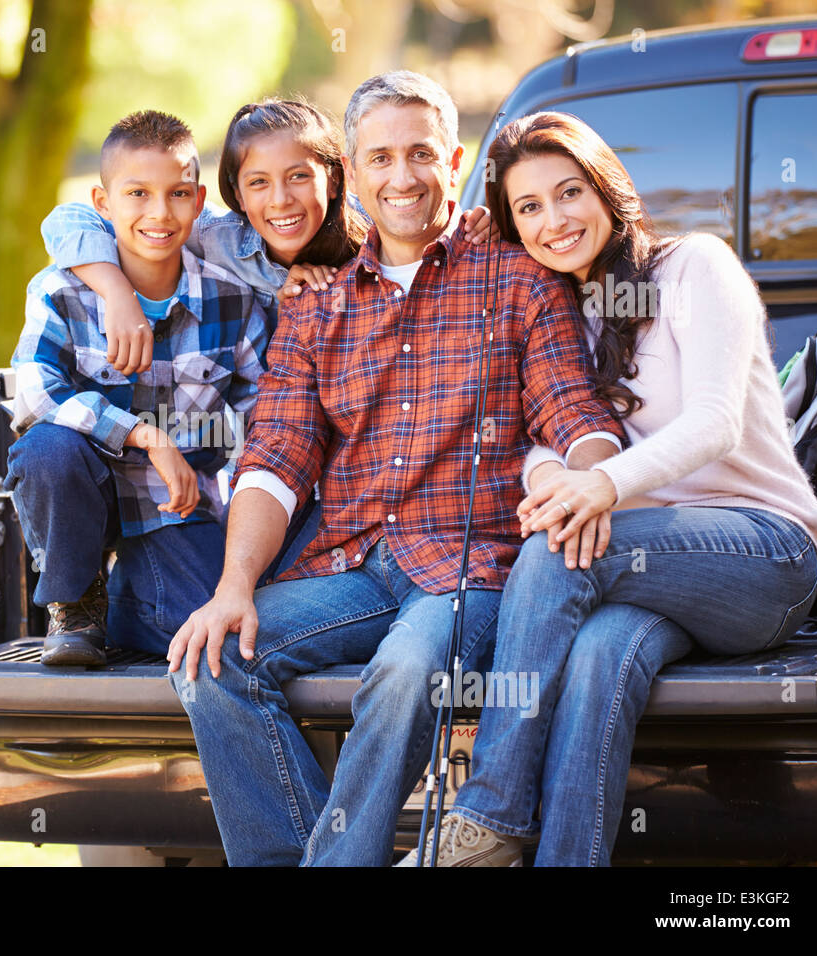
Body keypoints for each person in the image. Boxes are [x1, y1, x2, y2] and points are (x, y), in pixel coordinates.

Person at [163, 73, 626, 866]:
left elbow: (574, 412)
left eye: (420, 153)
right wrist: (234, 589)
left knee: (406, 672)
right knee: (209, 664)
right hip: (353, 565)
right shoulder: (317, 305)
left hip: (468, 568)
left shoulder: (518, 281)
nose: (402, 176)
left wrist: (595, 479)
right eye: (380, 157)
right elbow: (275, 455)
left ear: (453, 159)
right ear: (354, 171)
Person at [412, 111, 817, 867]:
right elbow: (539, 442)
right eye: (528, 208)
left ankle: (492, 811)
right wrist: (560, 483)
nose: (554, 220)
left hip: (762, 553)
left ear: (606, 188)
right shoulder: (561, 314)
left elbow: (715, 423)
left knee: (551, 553)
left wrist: (598, 485)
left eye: (568, 192)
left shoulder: (694, 267)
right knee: (603, 652)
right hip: (643, 571)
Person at [41, 98, 494, 580]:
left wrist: (475, 219)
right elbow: (69, 219)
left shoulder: (374, 238)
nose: (280, 200)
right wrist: (115, 290)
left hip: (357, 465)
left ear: (336, 178)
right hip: (276, 450)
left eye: (299, 176)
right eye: (258, 183)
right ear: (234, 194)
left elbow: (425, 213)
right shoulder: (214, 237)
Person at [6, 110, 269, 667]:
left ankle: (129, 602)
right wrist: (148, 437)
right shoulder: (63, 291)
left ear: (199, 202)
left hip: (176, 507)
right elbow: (32, 391)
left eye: (176, 194)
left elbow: (263, 412)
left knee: (216, 635)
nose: (158, 212)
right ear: (103, 205)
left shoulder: (230, 299)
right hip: (90, 494)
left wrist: (232, 489)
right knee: (47, 447)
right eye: (137, 194)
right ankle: (76, 602)